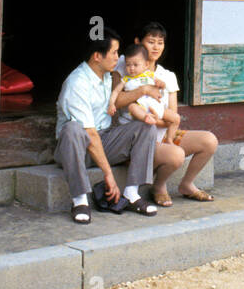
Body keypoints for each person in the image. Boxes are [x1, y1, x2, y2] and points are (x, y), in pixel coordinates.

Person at [54, 27, 160, 224]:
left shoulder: (107, 76)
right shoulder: (77, 83)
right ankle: (79, 200)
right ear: (97, 56)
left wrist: (145, 89)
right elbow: (90, 134)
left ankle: (131, 193)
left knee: (146, 126)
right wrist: (108, 174)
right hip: (76, 148)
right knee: (73, 129)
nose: (117, 58)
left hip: (105, 140)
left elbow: (119, 101)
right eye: (114, 52)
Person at [113, 22, 217, 206]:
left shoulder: (166, 76)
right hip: (136, 137)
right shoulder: (126, 65)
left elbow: (173, 115)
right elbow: (117, 100)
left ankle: (186, 184)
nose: (155, 47)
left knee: (209, 140)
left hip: (161, 130)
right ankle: (159, 186)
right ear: (138, 42)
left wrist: (158, 121)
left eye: (160, 42)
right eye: (151, 41)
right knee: (176, 154)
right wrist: (143, 90)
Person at [114, 44, 179, 139]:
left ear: (146, 65)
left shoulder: (150, 75)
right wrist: (111, 104)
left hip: (156, 107)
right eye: (128, 65)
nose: (131, 68)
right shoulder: (126, 79)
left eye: (135, 65)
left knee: (176, 117)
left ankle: (169, 139)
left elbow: (161, 84)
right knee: (132, 107)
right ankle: (146, 118)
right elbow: (116, 93)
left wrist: (161, 84)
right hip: (141, 108)